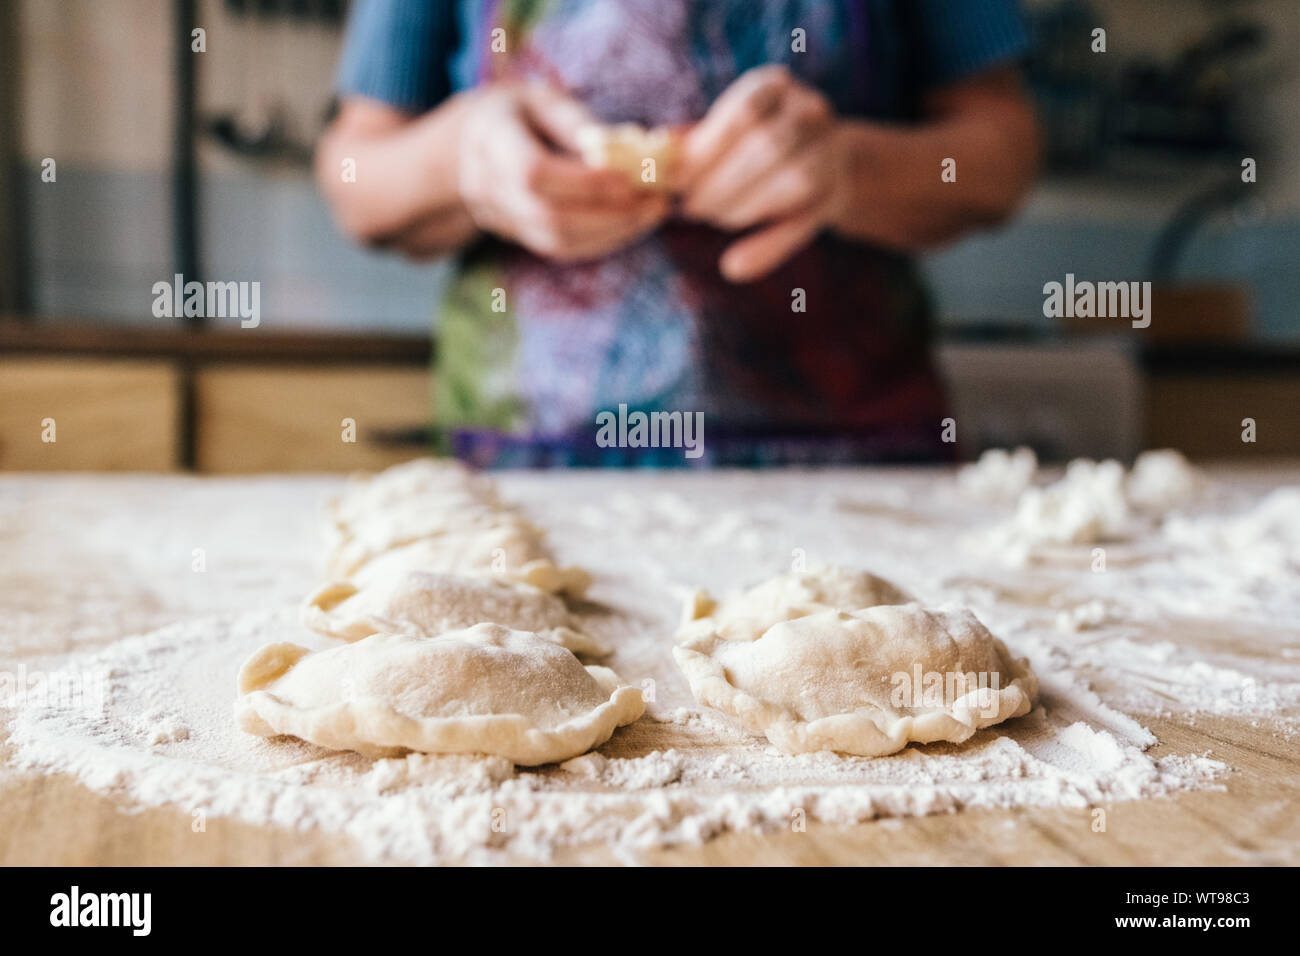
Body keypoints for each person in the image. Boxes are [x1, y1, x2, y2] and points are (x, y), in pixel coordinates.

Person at [317, 0, 1039, 467]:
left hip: (858, 464)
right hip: (529, 462)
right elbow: (355, 177)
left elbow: (1002, 153)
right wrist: (462, 158)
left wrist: (848, 168)